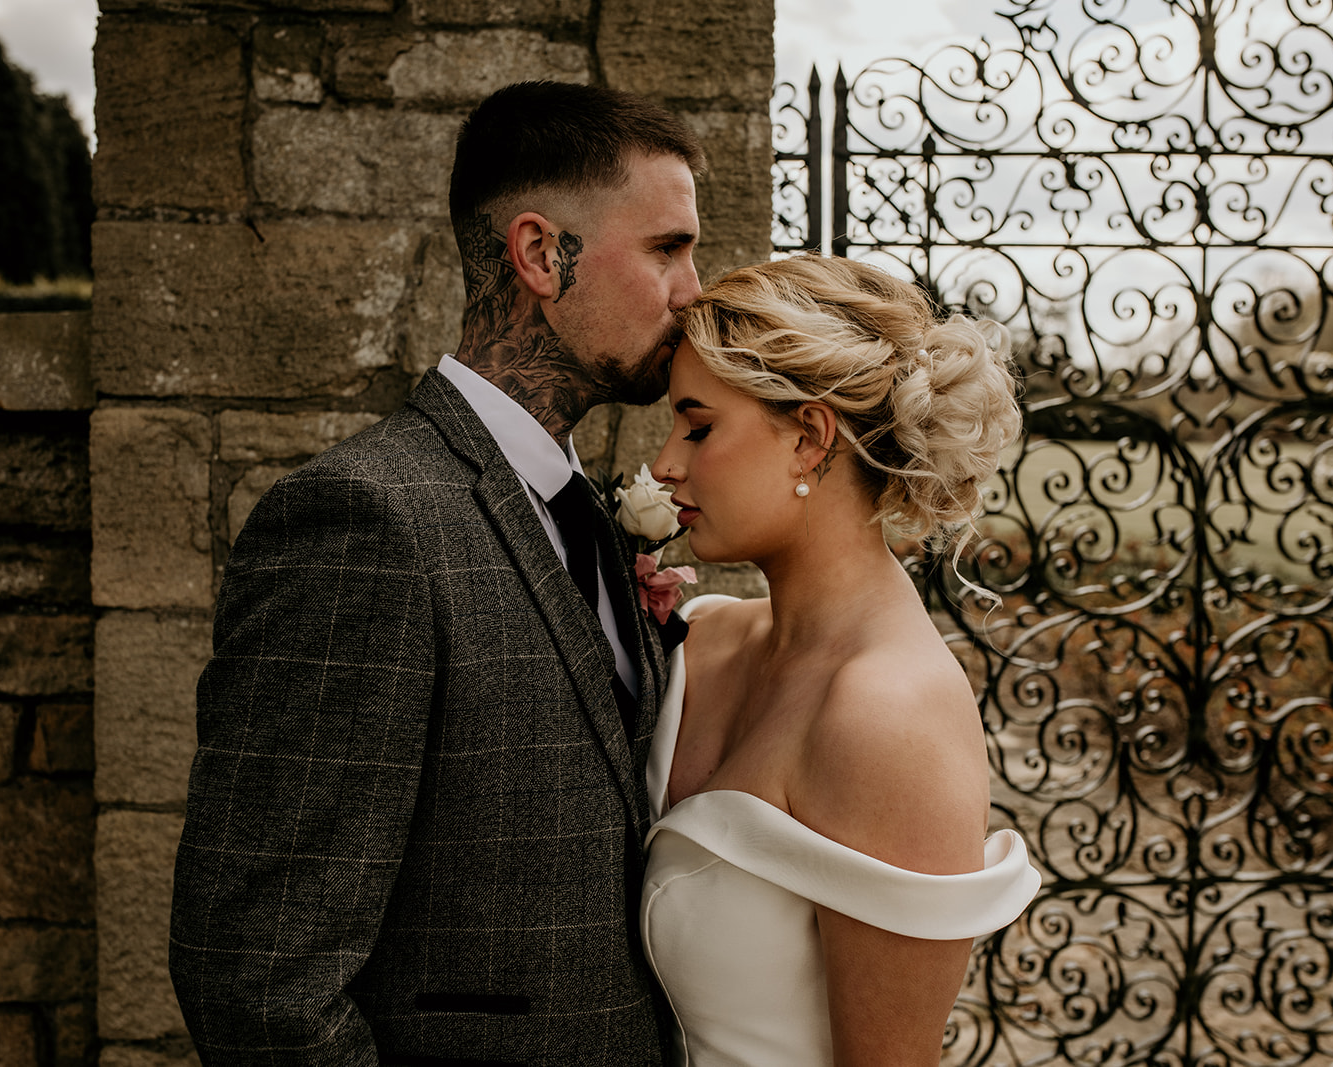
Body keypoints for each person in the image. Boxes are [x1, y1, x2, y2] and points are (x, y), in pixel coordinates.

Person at [168, 80, 705, 1065]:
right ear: (542, 254)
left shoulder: (589, 513)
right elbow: (258, 974)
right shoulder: (363, 521)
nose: (694, 289)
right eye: (668, 248)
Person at [642, 254, 1042, 1065]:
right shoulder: (706, 635)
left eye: (699, 425)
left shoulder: (889, 716)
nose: (663, 464)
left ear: (810, 440)